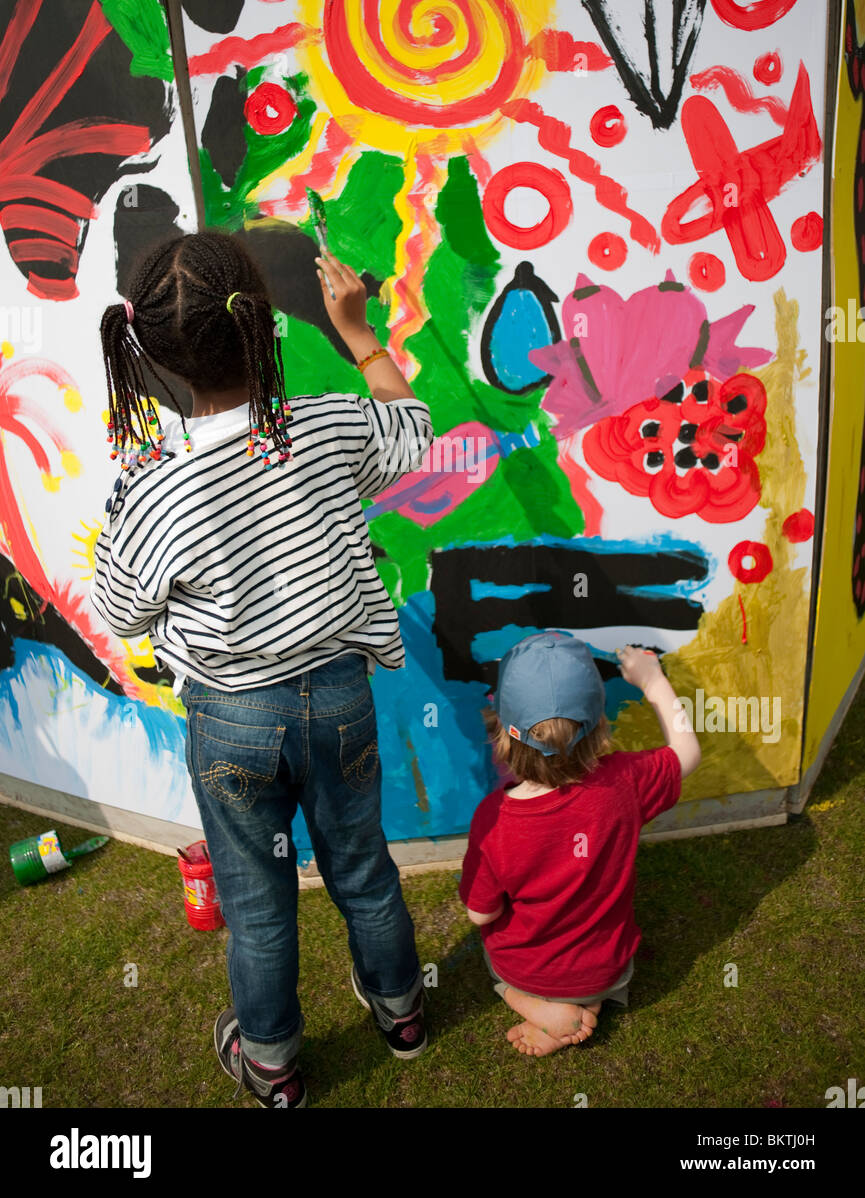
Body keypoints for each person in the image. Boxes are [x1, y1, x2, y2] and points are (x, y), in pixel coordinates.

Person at [90, 230, 435, 1107]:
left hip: (231, 719)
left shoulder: (151, 488)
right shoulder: (328, 424)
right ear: (264, 324)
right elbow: (414, 429)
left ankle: (273, 1063)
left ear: (148, 350)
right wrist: (359, 335)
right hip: (338, 698)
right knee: (362, 866)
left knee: (255, 902)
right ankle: (400, 1011)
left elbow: (125, 612)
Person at [458, 631, 700, 1056]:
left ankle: (523, 999)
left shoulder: (493, 819)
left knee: (494, 960)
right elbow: (687, 752)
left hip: (524, 970)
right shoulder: (626, 781)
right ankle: (589, 1002)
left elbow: (481, 914)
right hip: (609, 969)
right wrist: (653, 681)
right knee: (593, 981)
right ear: (599, 725)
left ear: (503, 732)